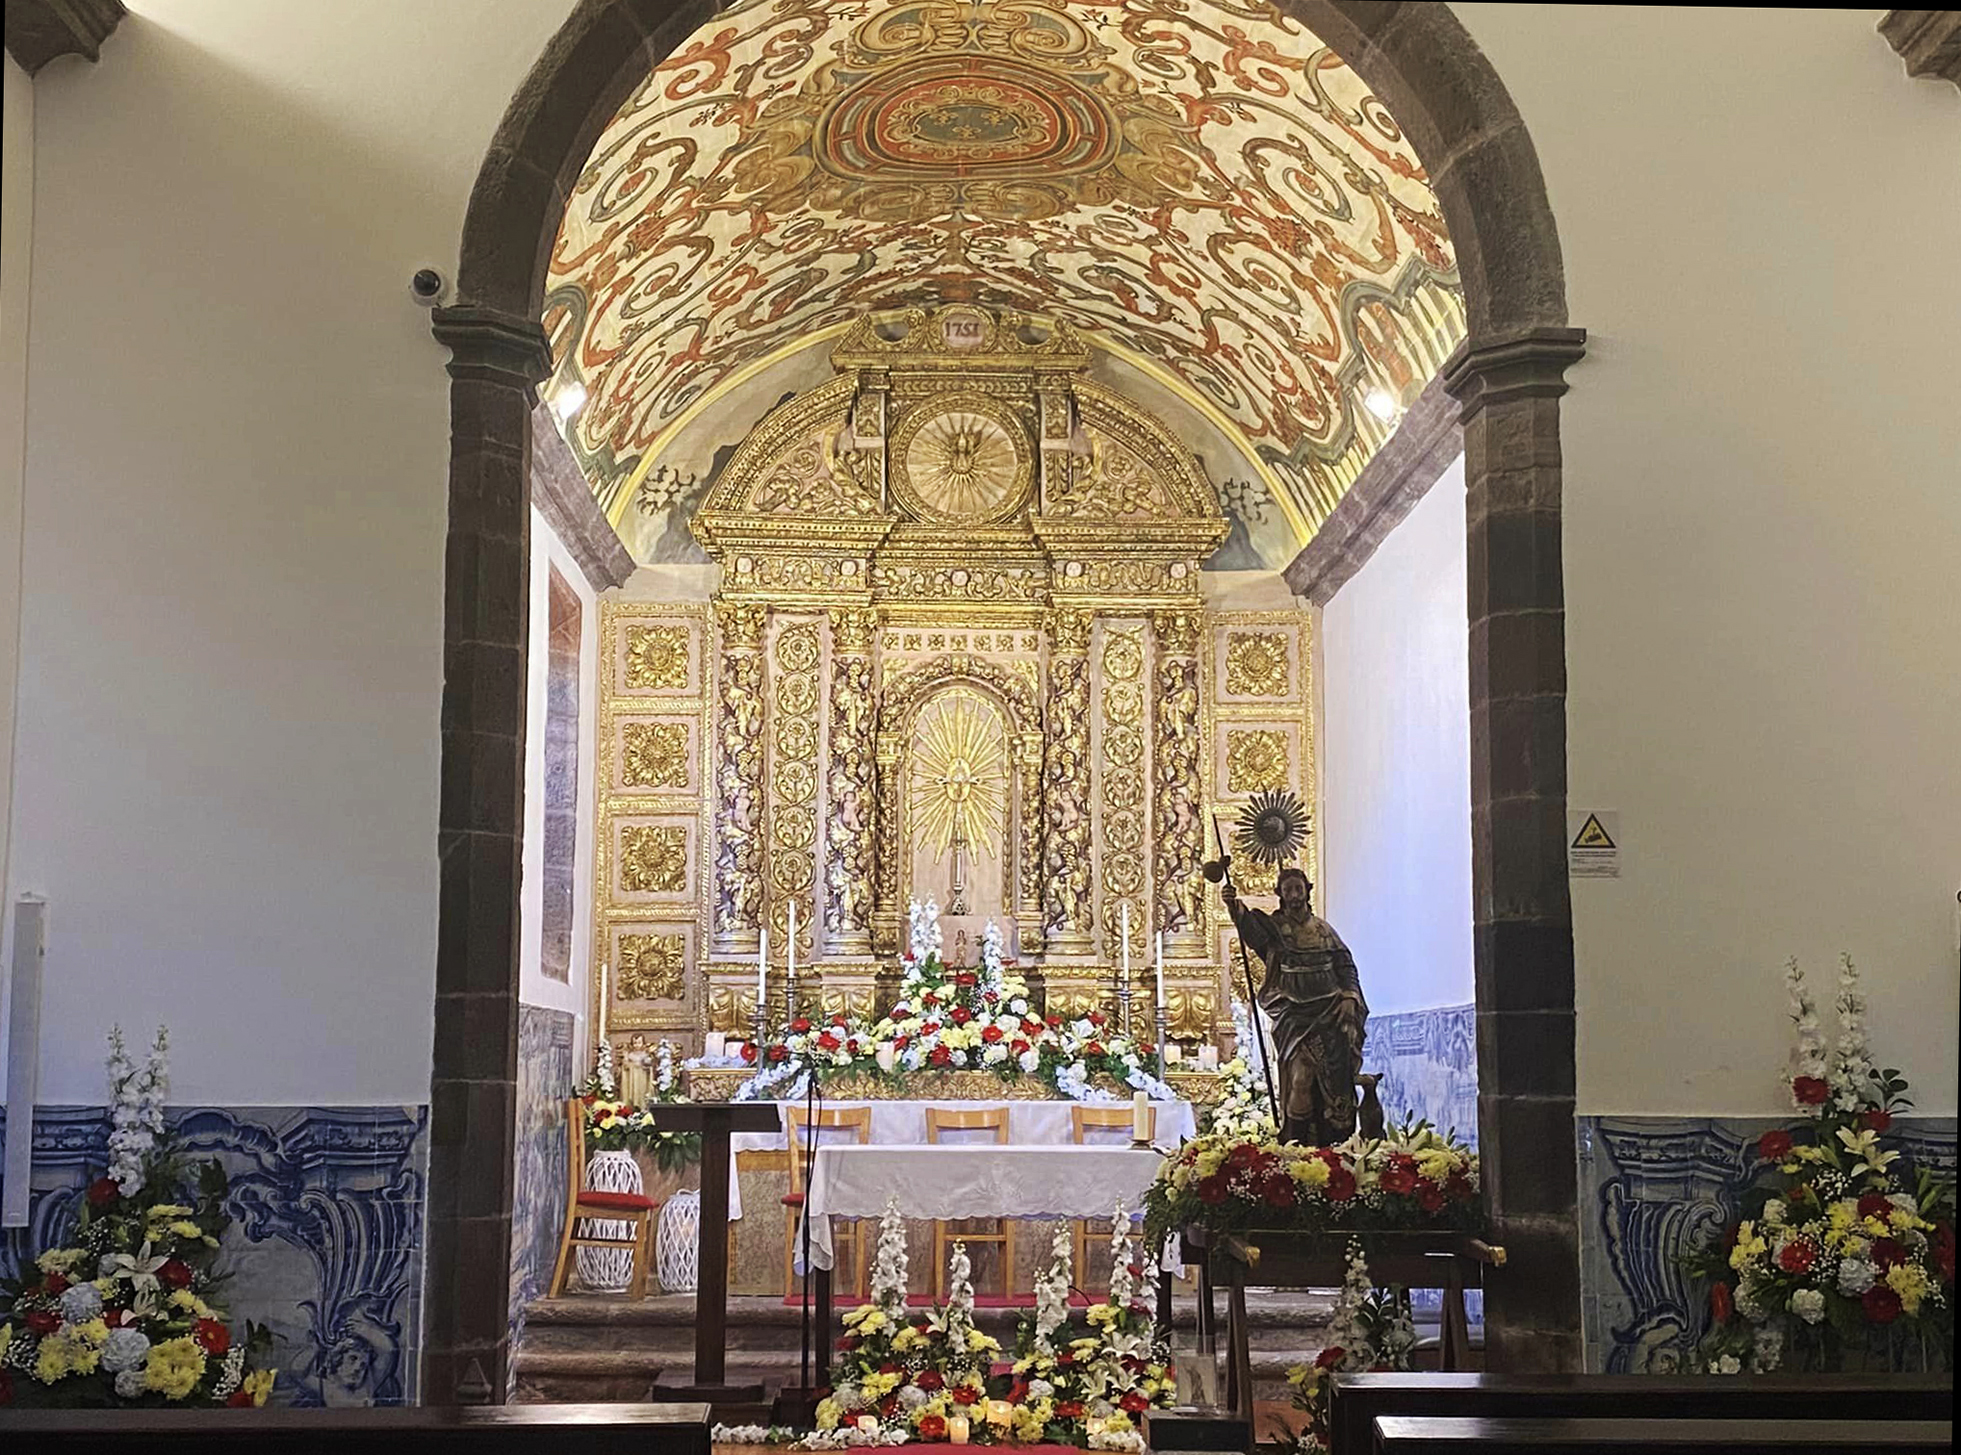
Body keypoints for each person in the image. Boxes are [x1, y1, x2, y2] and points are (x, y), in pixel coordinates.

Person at [1221, 866, 1369, 1147]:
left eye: (1298, 888)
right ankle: (1295, 1144)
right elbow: (1254, 933)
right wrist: (1233, 905)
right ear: (1279, 894)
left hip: (1330, 1011)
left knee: (1337, 1084)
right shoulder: (1276, 929)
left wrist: (1350, 996)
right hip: (1294, 1015)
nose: (1293, 894)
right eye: (1287, 889)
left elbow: (1345, 965)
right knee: (1301, 1076)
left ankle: (1338, 1144)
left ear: (1307, 890)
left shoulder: (1324, 930)